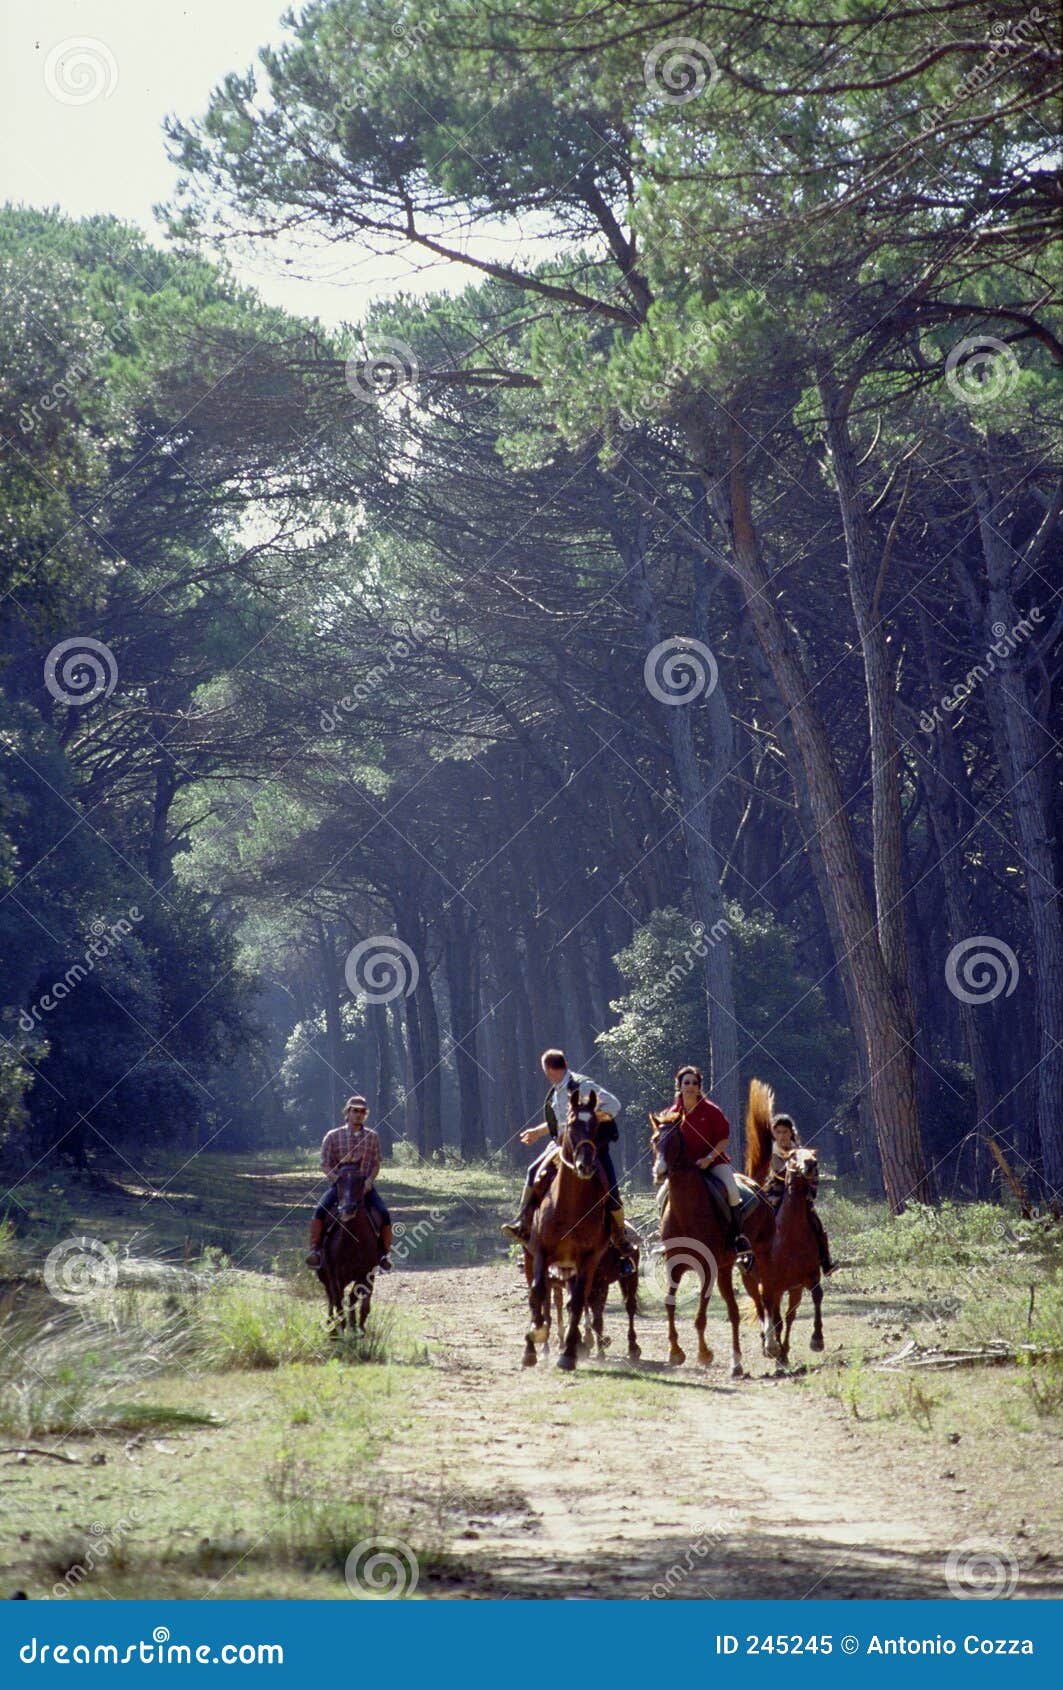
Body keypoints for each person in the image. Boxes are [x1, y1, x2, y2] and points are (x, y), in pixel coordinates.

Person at [500, 1048, 636, 1274]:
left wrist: (593, 1121)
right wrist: (537, 1132)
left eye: (545, 1071)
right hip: (562, 1146)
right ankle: (523, 1224)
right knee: (534, 1172)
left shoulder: (583, 1086)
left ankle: (619, 1237)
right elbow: (560, 1124)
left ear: (550, 1069)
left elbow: (614, 1105)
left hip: (589, 1148)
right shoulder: (556, 1091)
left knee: (611, 1190)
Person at [658, 1064, 753, 1260]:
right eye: (686, 1082)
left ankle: (737, 1237)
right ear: (679, 1085)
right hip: (684, 1169)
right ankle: (664, 1238)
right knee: (661, 1197)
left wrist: (709, 1158)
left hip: (714, 1163)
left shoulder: (711, 1111)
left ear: (699, 1086)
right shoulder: (672, 1112)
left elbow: (724, 1138)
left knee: (733, 1192)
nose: (690, 1086)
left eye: (694, 1083)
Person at [306, 1095, 393, 1271]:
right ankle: (315, 1251)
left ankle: (384, 1254)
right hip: (340, 1186)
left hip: (364, 1188)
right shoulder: (333, 1136)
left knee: (384, 1214)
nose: (358, 1114)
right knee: (320, 1211)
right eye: (355, 1110)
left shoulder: (372, 1136)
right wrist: (337, 1180)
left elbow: (376, 1163)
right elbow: (325, 1163)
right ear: (347, 1112)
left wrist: (369, 1180)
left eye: (362, 1111)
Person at [764, 1112, 834, 1275]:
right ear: (774, 1134)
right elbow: (765, 1177)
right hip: (774, 1197)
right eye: (778, 1132)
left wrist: (809, 1194)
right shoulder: (768, 1154)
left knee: (816, 1224)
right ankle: (753, 1260)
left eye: (785, 1132)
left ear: (791, 1133)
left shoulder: (802, 1154)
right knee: (760, 1224)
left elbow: (813, 1176)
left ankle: (826, 1262)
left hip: (800, 1197)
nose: (782, 1136)